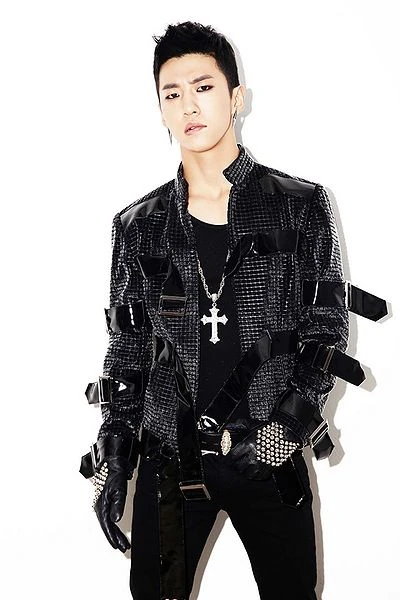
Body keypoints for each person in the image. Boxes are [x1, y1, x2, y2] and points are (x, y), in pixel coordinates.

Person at [79, 21, 388, 600]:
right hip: (170, 458)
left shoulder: (299, 205)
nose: (189, 106)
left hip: (268, 453)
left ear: (236, 97)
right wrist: (115, 453)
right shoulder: (138, 225)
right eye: (173, 94)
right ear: (160, 109)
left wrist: (285, 431)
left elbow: (325, 329)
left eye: (204, 87)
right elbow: (127, 348)